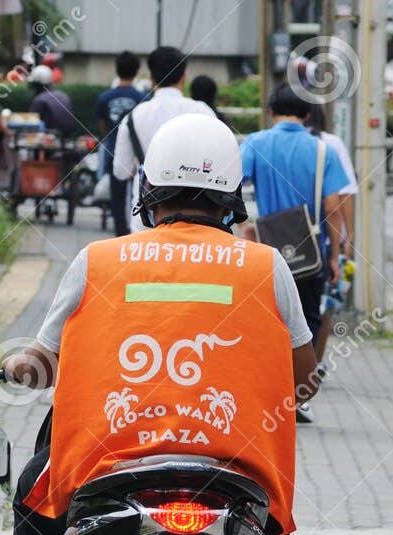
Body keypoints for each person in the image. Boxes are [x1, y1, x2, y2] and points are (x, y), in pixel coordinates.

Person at [0, 114, 320, 535]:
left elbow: (43, 363)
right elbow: (304, 378)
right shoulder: (267, 267)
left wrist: (15, 367)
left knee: (34, 488)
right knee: (272, 520)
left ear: (148, 190)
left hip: (108, 463)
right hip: (235, 468)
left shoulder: (97, 260)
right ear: (231, 195)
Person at [240, 84, 350, 424]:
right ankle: (299, 395)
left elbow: (231, 185)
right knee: (307, 318)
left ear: (271, 111)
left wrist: (245, 227)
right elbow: (332, 206)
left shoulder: (255, 143)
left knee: (266, 319)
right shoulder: (322, 151)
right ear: (307, 115)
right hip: (310, 251)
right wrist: (334, 254)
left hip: (266, 250)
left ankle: (264, 390)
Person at [112, 46, 216, 228]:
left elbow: (121, 171)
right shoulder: (203, 112)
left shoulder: (134, 116)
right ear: (183, 78)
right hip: (197, 215)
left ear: (152, 79)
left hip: (146, 216)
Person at [305, 103, 359, 360]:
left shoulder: (277, 141)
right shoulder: (331, 143)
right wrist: (348, 237)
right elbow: (342, 196)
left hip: (286, 237)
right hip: (326, 239)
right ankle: (315, 362)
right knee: (325, 303)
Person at [96, 52, 144, 237]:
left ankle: (120, 234)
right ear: (137, 71)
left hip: (113, 150)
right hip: (137, 153)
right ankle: (135, 231)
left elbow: (102, 127)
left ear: (117, 70)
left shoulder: (104, 98)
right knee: (137, 195)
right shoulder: (142, 98)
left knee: (116, 196)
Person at [27, 64, 79, 136]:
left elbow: (32, 125)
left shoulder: (39, 100)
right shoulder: (63, 96)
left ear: (38, 84)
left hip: (48, 138)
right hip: (69, 138)